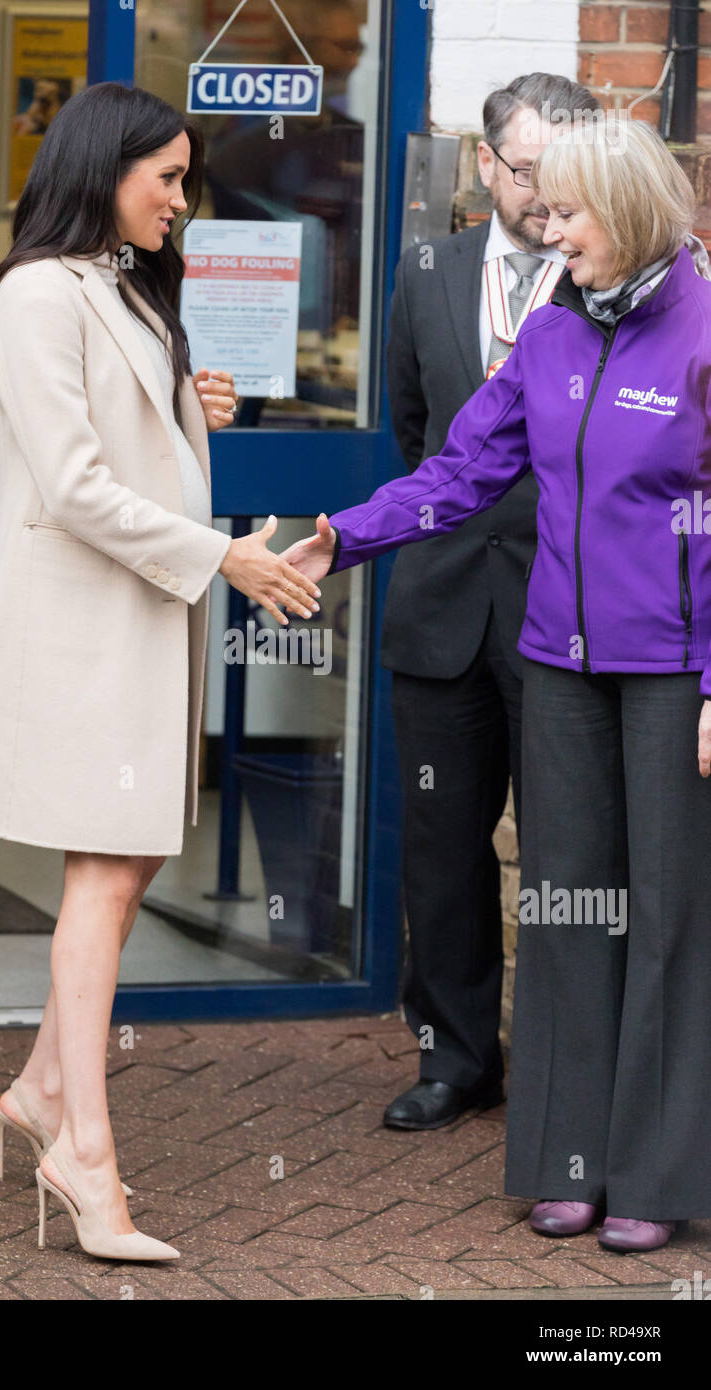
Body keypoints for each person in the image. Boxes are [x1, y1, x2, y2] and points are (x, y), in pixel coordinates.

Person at [283, 117, 711, 1253]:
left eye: (567, 212)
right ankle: (569, 1162)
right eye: (544, 206)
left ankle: (656, 1172)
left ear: (622, 212)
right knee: (565, 907)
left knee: (667, 917)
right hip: (559, 666)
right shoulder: (552, 329)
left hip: (672, 671)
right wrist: (343, 537)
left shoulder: (701, 329)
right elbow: (464, 466)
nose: (548, 227)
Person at [0, 82, 320, 1263]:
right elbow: (69, 484)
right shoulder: (35, 294)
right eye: (163, 174)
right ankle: (86, 1157)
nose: (179, 197)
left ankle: (34, 1094)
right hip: (82, 636)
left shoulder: (119, 283)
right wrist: (228, 559)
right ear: (100, 164)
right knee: (105, 877)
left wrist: (187, 408)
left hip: (137, 626)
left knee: (136, 848)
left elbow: (128, 449)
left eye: (183, 175)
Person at [378, 74, 597, 1133]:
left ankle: (567, 1071)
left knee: (566, 854)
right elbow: (412, 432)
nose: (539, 197)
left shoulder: (608, 277)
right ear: (482, 163)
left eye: (559, 176)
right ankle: (456, 1056)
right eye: (522, 173)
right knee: (440, 844)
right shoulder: (424, 273)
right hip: (439, 609)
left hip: (564, 613)